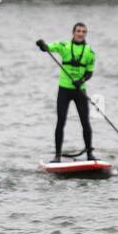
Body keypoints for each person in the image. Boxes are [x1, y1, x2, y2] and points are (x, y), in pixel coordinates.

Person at [36, 23, 96, 162]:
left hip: (79, 91)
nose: (81, 33)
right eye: (78, 31)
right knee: (61, 121)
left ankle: (89, 154)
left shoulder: (90, 52)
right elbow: (48, 48)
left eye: (84, 31)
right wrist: (42, 45)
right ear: (73, 32)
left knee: (85, 122)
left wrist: (81, 81)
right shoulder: (64, 46)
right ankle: (57, 156)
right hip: (64, 90)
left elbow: (89, 72)